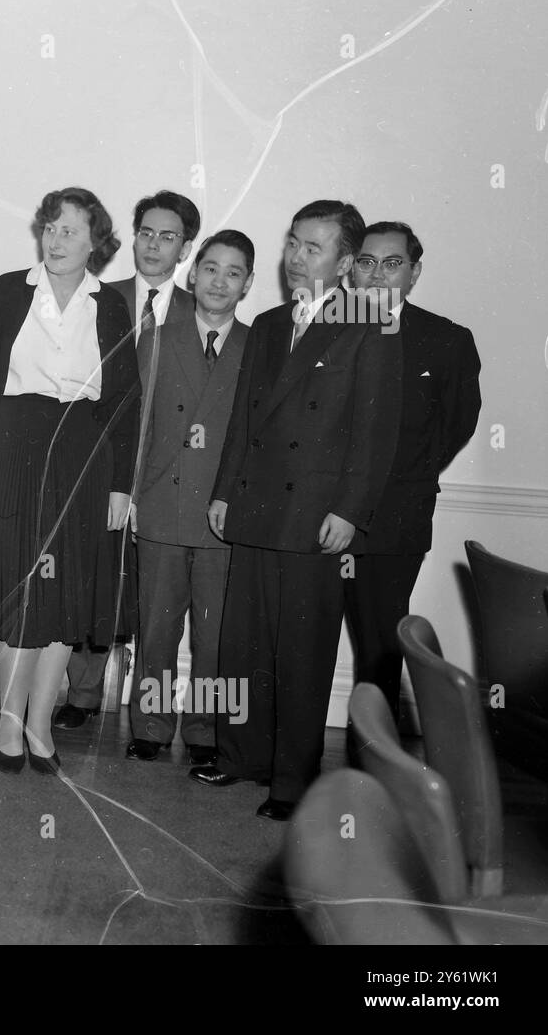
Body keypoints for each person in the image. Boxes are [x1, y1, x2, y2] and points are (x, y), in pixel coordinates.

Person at [195, 200, 402, 821]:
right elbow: (243, 420)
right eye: (293, 243)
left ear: (344, 262)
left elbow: (376, 433)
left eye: (313, 248)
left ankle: (292, 779)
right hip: (255, 504)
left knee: (303, 651)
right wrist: (224, 490)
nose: (296, 257)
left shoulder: (370, 321)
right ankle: (239, 755)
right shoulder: (265, 321)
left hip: (315, 515)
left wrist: (350, 510)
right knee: (244, 641)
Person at [0, 187, 139, 774]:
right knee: (20, 588)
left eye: (70, 233)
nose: (56, 241)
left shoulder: (108, 305)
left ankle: (40, 726)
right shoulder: (10, 291)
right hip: (11, 448)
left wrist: (121, 486)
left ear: (97, 244)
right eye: (50, 229)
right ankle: (9, 724)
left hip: (83, 457)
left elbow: (125, 400)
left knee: (67, 595)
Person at [54, 190, 198, 733]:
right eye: (146, 233)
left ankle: (150, 716)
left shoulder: (199, 312)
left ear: (185, 247)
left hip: (168, 478)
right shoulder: (97, 298)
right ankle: (83, 692)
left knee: (158, 604)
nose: (153, 245)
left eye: (168, 236)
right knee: (89, 581)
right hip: (96, 472)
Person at [343, 221, 480, 732]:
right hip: (313, 516)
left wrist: (395, 479)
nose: (378, 274)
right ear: (351, 269)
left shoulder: (446, 341)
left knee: (379, 645)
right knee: (301, 639)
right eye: (366, 261)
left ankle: (375, 760)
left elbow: (455, 425)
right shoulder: (325, 328)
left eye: (393, 263)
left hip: (393, 519)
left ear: (415, 272)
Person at [125, 231, 252, 764]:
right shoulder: (156, 337)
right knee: (155, 629)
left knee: (216, 634)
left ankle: (206, 731)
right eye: (211, 268)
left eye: (233, 273)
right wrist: (130, 493)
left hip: (226, 514)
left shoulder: (258, 346)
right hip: (162, 504)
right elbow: (137, 423)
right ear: (192, 273)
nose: (219, 281)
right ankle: (150, 727)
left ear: (246, 285)